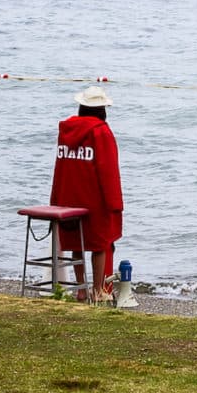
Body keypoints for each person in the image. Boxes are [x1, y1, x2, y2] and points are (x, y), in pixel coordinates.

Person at [50, 85, 123, 303]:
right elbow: (108, 170)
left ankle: (81, 289)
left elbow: (60, 167)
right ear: (102, 110)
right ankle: (98, 289)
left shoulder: (66, 131)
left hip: (67, 197)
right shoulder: (101, 132)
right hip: (94, 198)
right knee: (100, 244)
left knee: (76, 242)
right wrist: (115, 202)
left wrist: (56, 200)